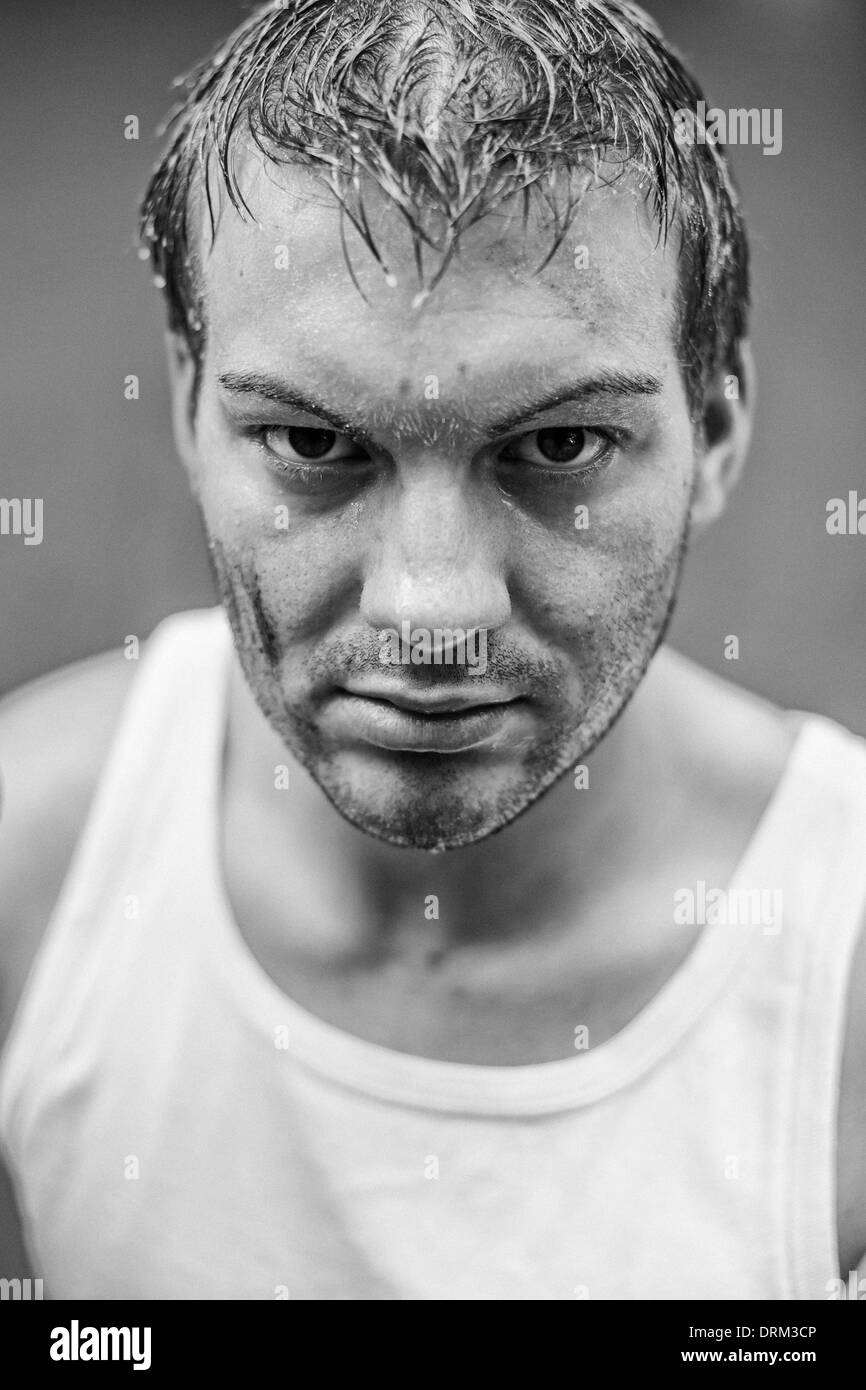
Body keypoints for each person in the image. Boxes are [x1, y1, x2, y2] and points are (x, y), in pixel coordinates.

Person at [1, 0, 864, 1301]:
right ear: (187, 406)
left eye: (557, 445)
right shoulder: (31, 880)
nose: (429, 608)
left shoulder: (836, 987)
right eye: (311, 443)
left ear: (718, 429)